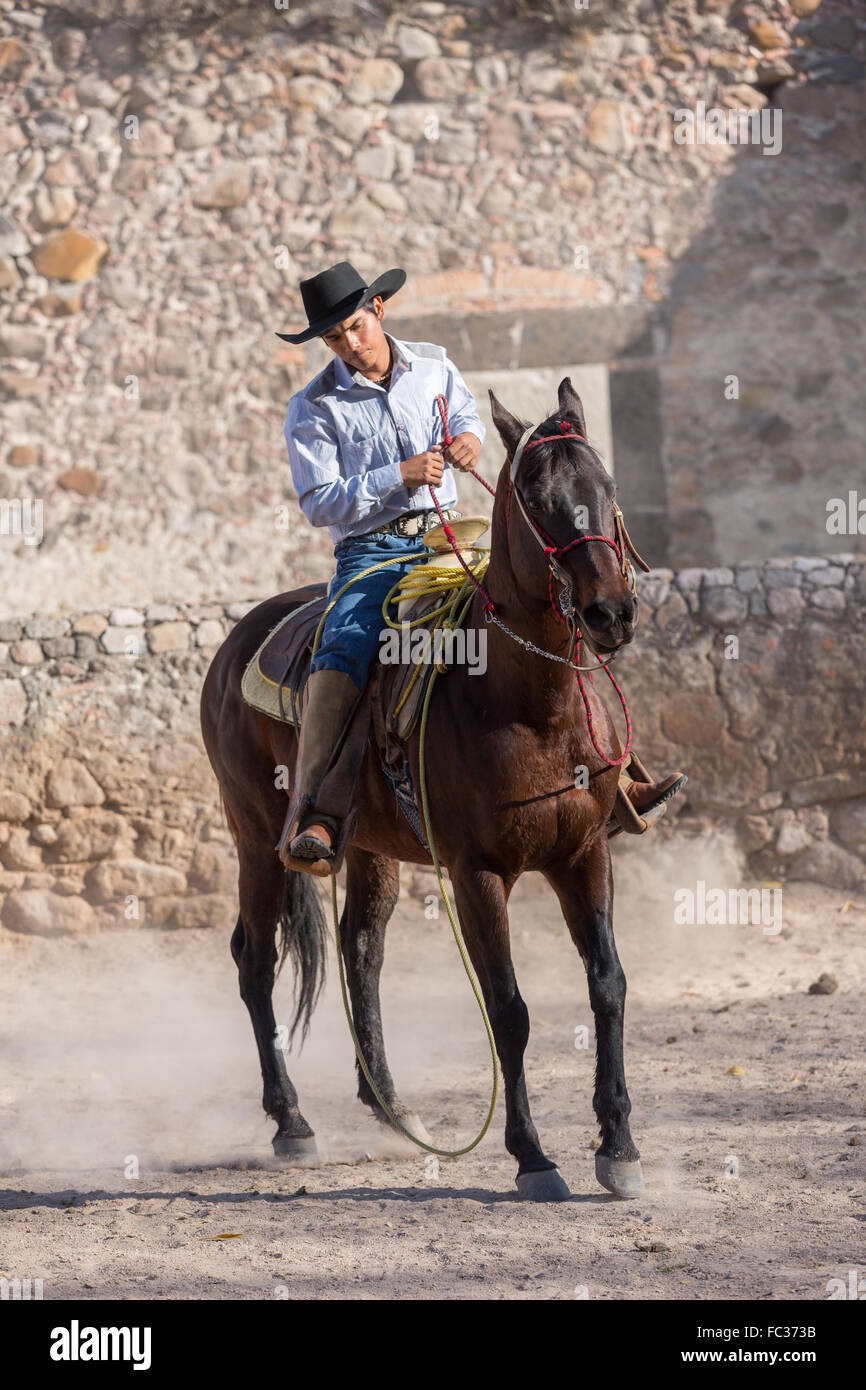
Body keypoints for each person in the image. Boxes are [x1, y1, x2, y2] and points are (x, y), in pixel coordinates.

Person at [278, 261, 684, 875]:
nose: (349, 346)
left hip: (450, 538)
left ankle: (615, 777)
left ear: (378, 312)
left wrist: (467, 439)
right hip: (372, 554)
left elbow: (464, 418)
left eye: (356, 328)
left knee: (547, 609)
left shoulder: (436, 367)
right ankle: (315, 811)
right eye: (335, 339)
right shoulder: (313, 407)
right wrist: (398, 476)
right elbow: (317, 501)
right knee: (345, 647)